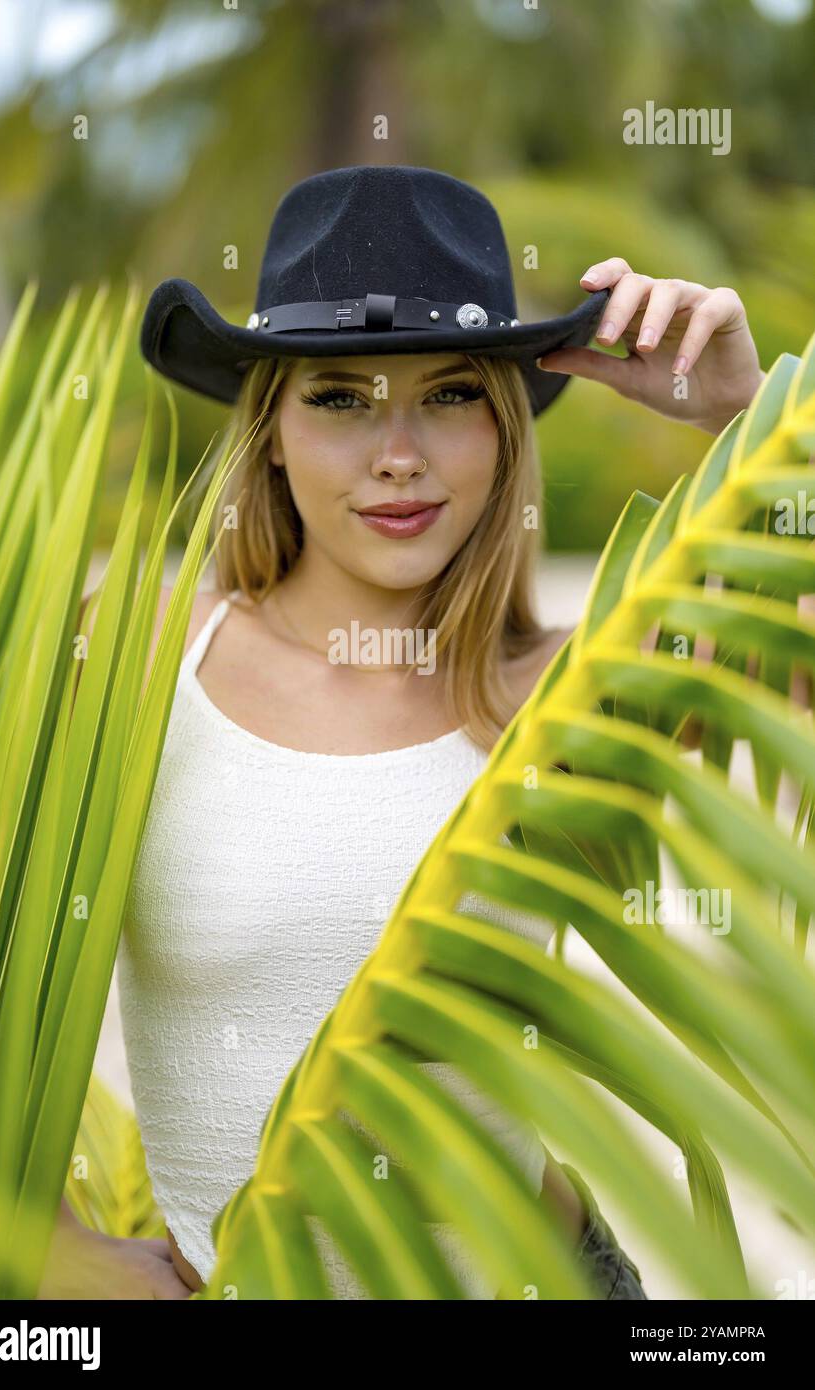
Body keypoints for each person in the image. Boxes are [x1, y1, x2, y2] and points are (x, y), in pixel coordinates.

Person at [41, 165, 764, 1300]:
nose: (398, 452)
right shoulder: (139, 661)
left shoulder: (571, 686)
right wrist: (47, 1243)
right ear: (268, 430)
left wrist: (750, 416)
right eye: (338, 396)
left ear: (504, 423)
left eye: (449, 395)